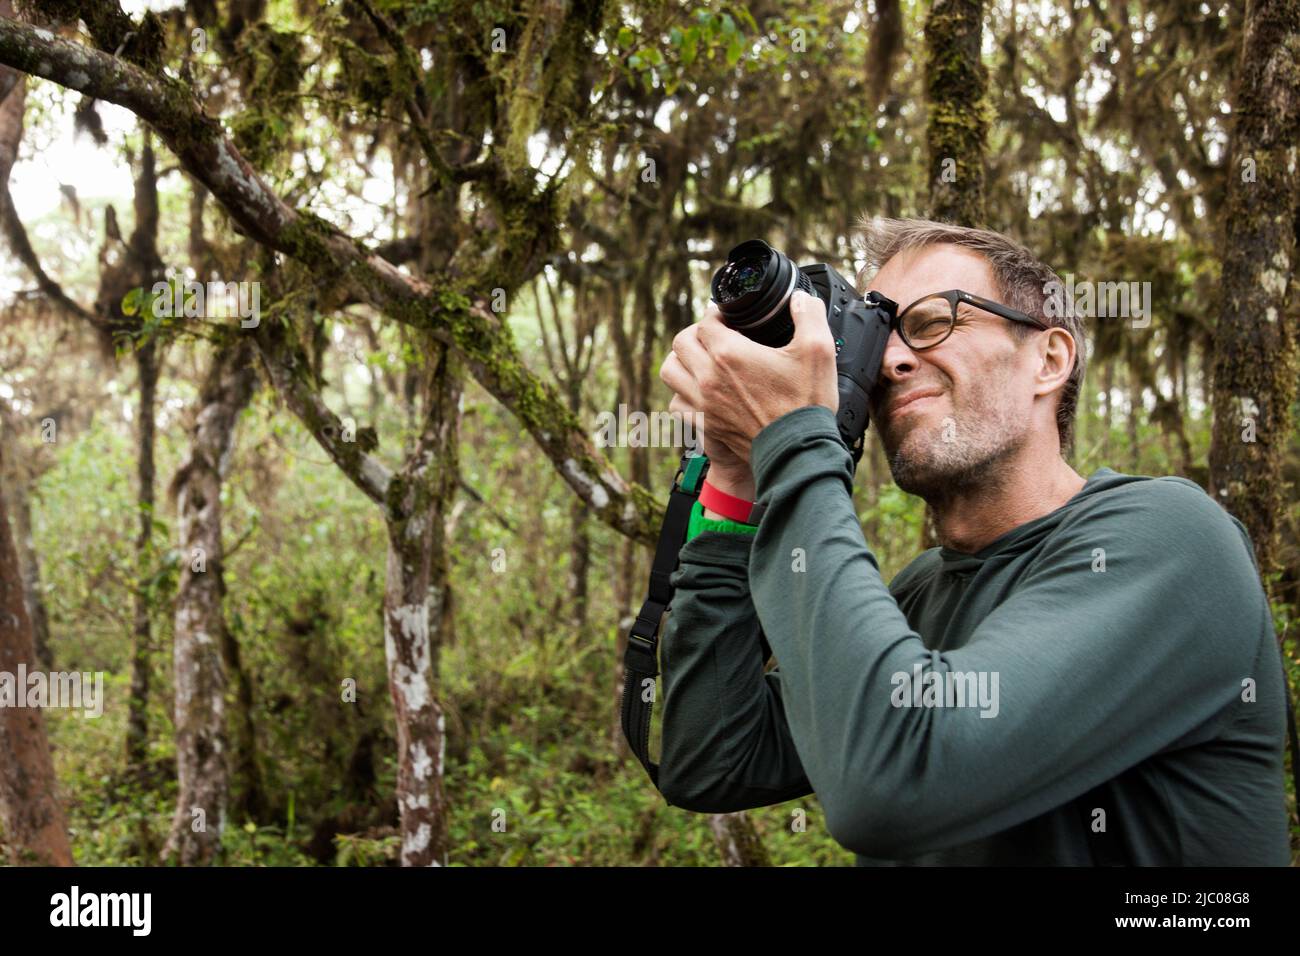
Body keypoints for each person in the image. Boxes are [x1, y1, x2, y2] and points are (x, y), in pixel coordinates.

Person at [655, 217, 1291, 865]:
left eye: (932, 323)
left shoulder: (1174, 541)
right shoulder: (918, 595)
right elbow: (712, 762)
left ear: (1049, 359)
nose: (894, 361)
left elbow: (896, 784)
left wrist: (792, 438)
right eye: (878, 341)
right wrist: (735, 479)